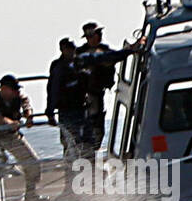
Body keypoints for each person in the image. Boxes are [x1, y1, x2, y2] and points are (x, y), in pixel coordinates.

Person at [75, 22, 142, 153]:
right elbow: (107, 58)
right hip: (85, 98)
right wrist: (129, 50)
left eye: (100, 33)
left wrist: (130, 49)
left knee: (97, 131)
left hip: (98, 95)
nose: (100, 36)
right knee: (88, 132)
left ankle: (90, 157)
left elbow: (115, 56)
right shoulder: (82, 55)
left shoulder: (104, 49)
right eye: (97, 34)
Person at [45, 37, 88, 170]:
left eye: (73, 48)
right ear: (63, 50)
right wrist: (50, 111)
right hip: (66, 109)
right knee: (69, 142)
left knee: (82, 141)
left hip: (80, 107)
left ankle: (82, 173)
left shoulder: (79, 63)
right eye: (69, 49)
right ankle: (71, 175)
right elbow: (53, 88)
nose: (71, 51)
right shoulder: (58, 67)